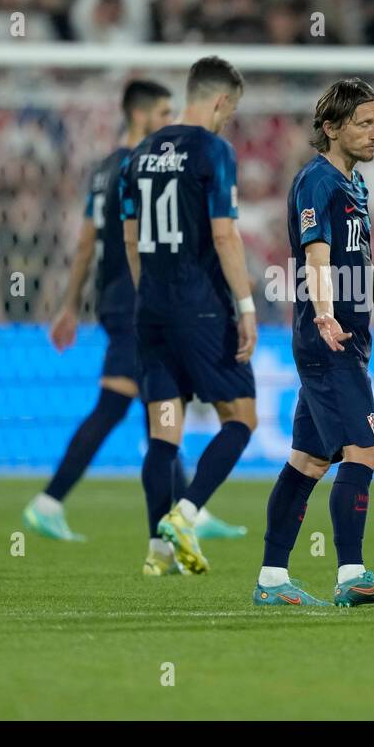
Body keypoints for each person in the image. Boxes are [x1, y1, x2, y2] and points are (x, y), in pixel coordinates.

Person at [252, 78, 374, 607]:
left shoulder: (353, 185)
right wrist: (323, 314)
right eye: (364, 123)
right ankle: (351, 575)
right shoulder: (317, 181)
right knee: (365, 450)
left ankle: (272, 580)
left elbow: (360, 264)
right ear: (331, 128)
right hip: (328, 341)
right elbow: (315, 257)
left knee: (308, 463)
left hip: (349, 339)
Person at [119, 57, 258, 575]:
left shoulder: (138, 154)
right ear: (220, 101)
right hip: (200, 307)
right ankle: (187, 512)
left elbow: (132, 241)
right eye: (232, 110)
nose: (229, 120)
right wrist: (245, 307)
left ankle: (158, 551)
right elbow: (224, 234)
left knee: (164, 432)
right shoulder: (214, 150)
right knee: (242, 418)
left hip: (151, 310)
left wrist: (150, 298)